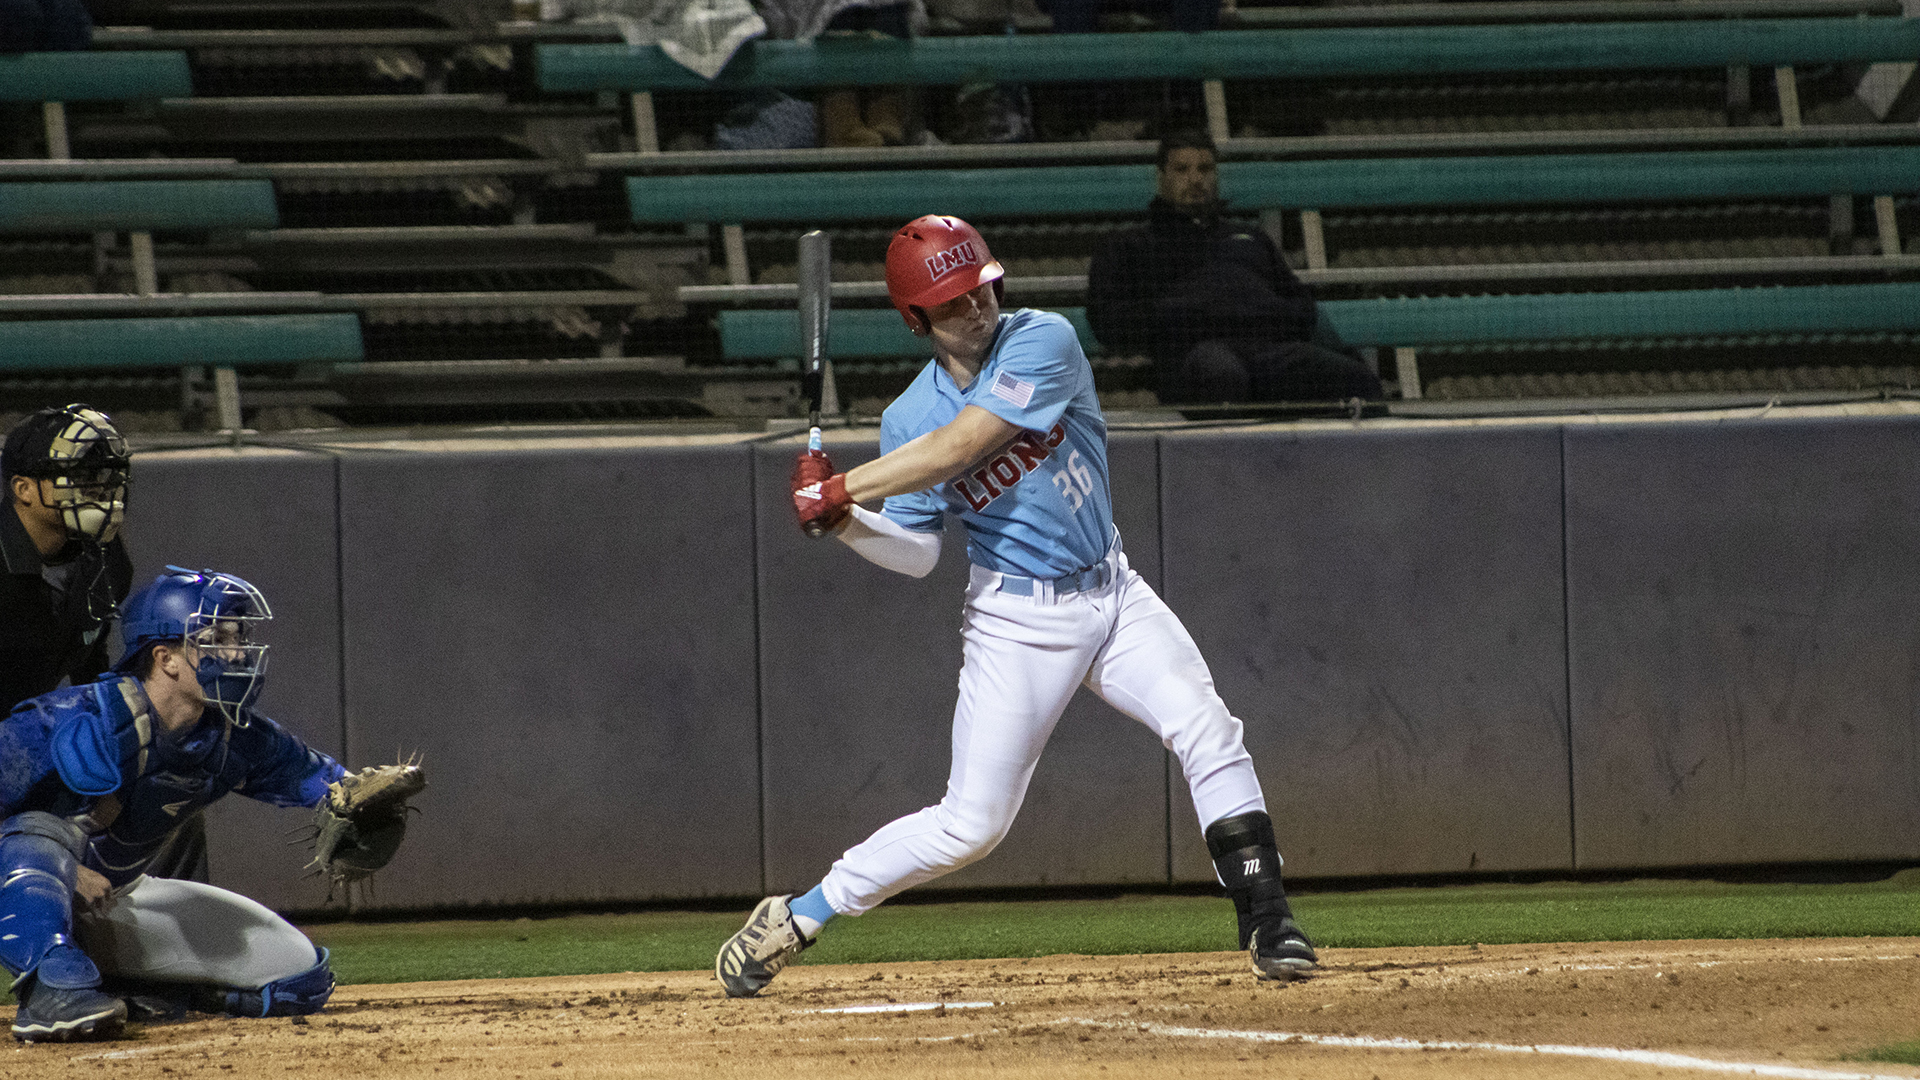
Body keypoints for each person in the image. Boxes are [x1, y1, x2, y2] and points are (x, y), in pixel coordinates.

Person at [715, 214, 1317, 998]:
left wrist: (845, 484)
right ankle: (800, 915)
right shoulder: (906, 421)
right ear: (917, 318)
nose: (977, 307)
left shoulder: (1043, 340)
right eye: (955, 299)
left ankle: (1269, 920)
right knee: (973, 826)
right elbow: (919, 554)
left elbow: (970, 441)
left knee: (1207, 726)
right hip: (1017, 622)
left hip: (1113, 590)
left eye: (981, 287)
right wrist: (847, 525)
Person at [1, 569, 352, 1042]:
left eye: (239, 635)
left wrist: (364, 806)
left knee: (297, 976)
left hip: (110, 900)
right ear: (165, 658)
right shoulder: (72, 720)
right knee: (39, 830)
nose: (235, 651)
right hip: (21, 890)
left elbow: (339, 790)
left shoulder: (231, 736)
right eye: (215, 637)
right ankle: (49, 989)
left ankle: (132, 991)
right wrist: (68, 871)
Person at [1, 404, 214, 885]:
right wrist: (53, 863)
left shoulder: (103, 558)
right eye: (78, 474)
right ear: (23, 489)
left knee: (166, 800)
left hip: (24, 743)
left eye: (105, 473)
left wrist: (114, 771)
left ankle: (153, 948)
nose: (99, 487)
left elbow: (91, 675)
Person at [1087, 129, 1383, 404]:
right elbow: (1107, 321)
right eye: (1182, 169)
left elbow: (1301, 307)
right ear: (1161, 176)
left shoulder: (1249, 238)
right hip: (1193, 352)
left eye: (1205, 169)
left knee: (1355, 378)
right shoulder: (1132, 245)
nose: (1195, 179)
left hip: (1268, 347)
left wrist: (1263, 310)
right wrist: (1188, 313)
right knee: (1223, 376)